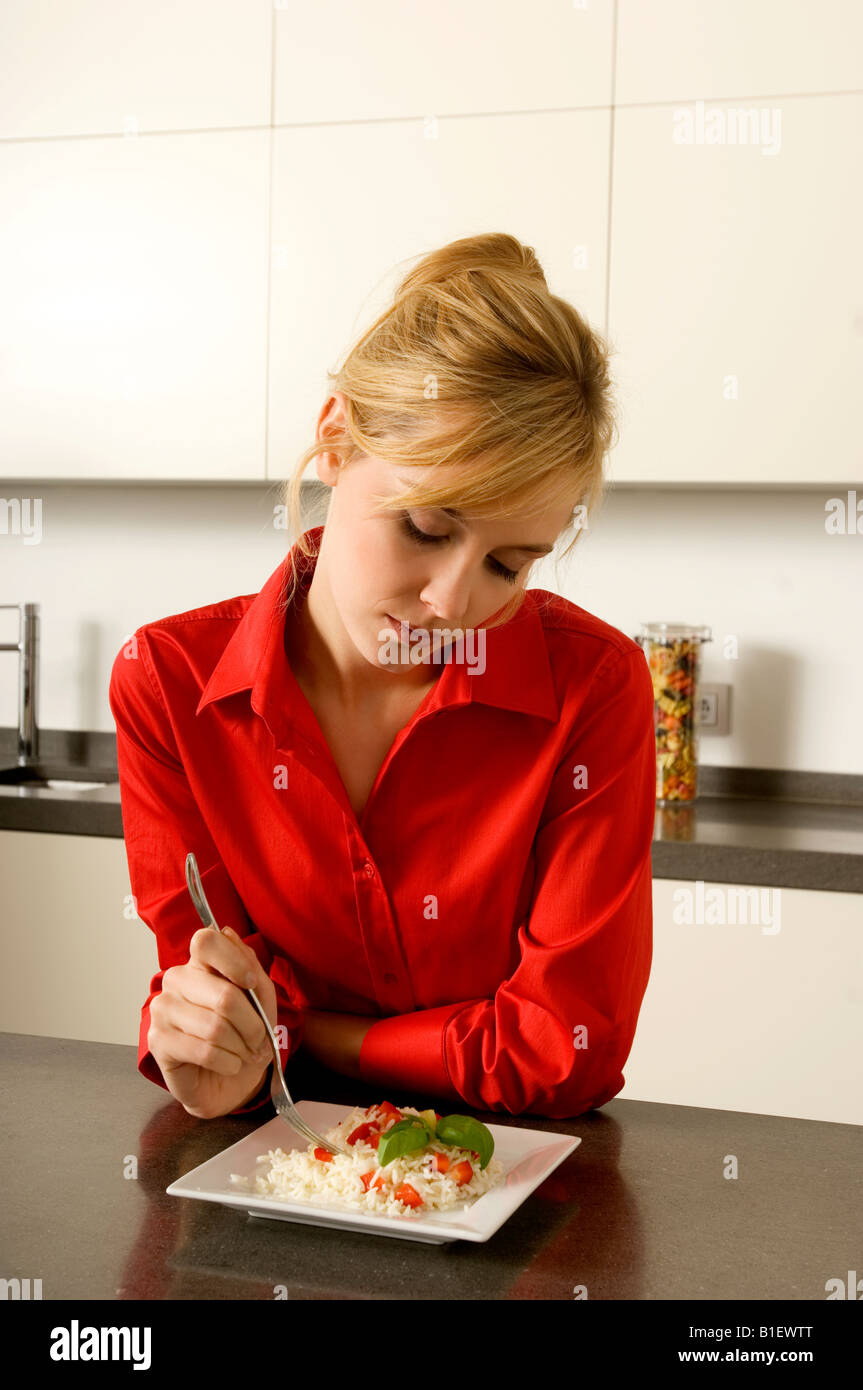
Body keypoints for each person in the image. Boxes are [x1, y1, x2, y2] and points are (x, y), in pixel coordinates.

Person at [108, 231, 656, 1122]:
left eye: (509, 565)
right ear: (334, 441)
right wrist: (208, 1042)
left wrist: (312, 1034)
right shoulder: (167, 683)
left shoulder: (595, 687)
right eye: (427, 529)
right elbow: (221, 995)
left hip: (514, 1205)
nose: (453, 602)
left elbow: (562, 1054)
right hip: (274, 1174)